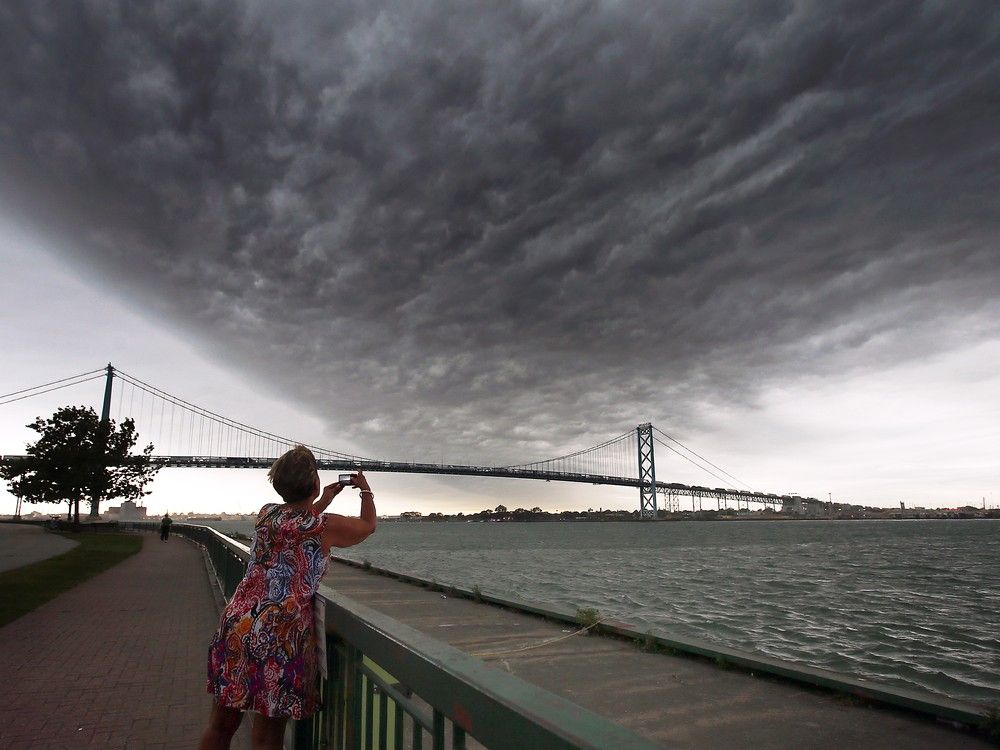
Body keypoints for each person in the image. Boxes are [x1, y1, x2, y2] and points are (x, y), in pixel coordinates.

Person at [198, 445, 376, 750]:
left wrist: (322, 501)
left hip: (238, 625)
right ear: (315, 482)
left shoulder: (267, 514)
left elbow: (293, 525)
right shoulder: (323, 526)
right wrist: (366, 493)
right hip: (278, 635)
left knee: (221, 724)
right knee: (267, 736)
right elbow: (367, 527)